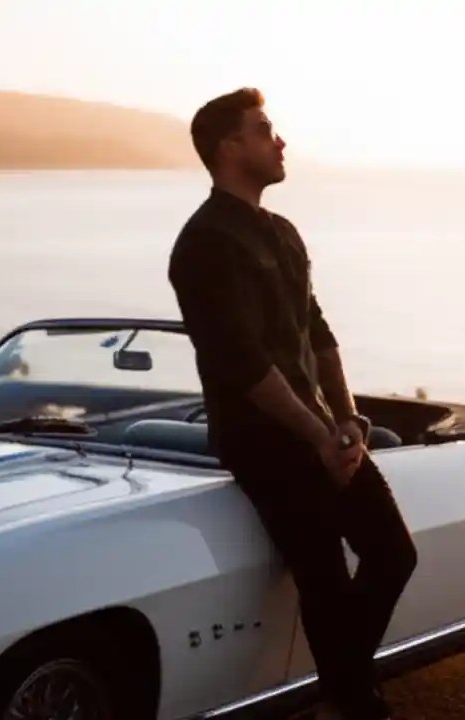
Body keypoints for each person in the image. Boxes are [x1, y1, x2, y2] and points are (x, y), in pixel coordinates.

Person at [167, 87, 418, 720]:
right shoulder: (203, 244)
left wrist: (347, 421)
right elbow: (242, 362)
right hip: (261, 441)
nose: (280, 142)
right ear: (230, 148)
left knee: (394, 553)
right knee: (324, 578)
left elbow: (318, 332)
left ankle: (340, 693)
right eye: (264, 130)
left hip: (317, 435)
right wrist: (316, 438)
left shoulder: (281, 232)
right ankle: (354, 701)